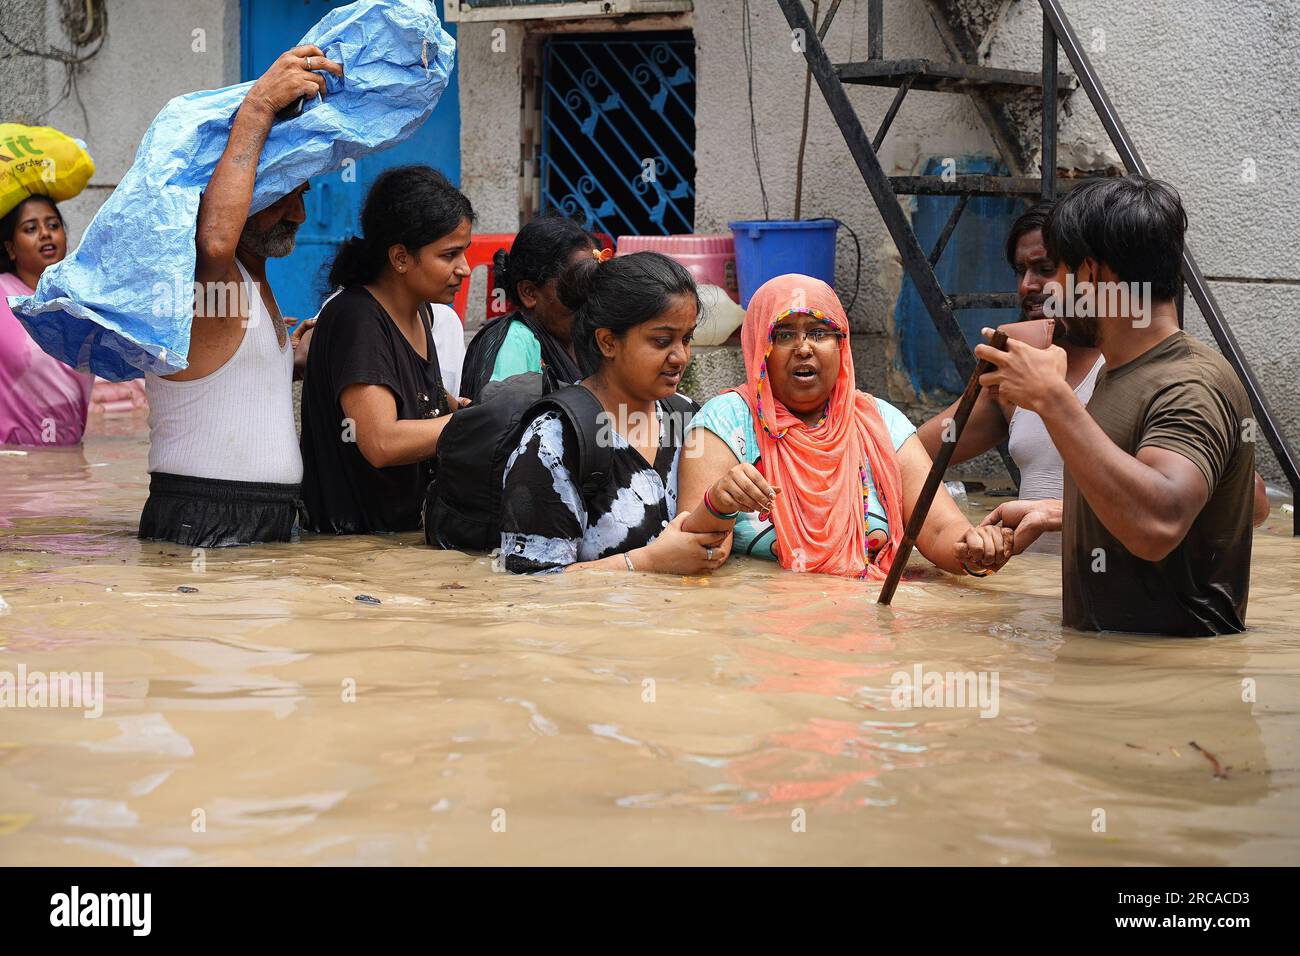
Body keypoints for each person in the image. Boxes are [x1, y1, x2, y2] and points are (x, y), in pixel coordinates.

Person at [978, 174, 1255, 635]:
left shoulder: (1188, 382)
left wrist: (1053, 401)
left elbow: (1159, 524)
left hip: (1164, 690)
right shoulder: (1121, 370)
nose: (1050, 293)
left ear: (1093, 274)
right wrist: (1056, 514)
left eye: (1059, 271)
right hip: (1105, 679)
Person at [678, 274, 1012, 580]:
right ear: (758, 348)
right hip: (761, 625)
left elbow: (940, 530)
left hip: (864, 628)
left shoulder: (881, 423)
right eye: (782, 335)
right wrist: (717, 503)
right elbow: (686, 551)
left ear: (842, 344)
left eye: (819, 332)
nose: (803, 347)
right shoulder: (724, 423)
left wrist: (974, 548)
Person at [138, 44, 336, 547]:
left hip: (265, 518)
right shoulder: (206, 280)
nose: (297, 215)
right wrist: (258, 110)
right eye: (278, 197)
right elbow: (214, 240)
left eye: (301, 194)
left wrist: (291, 359)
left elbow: (227, 375)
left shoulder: (253, 283)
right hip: (204, 513)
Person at [499, 251, 728, 574]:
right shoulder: (555, 439)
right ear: (608, 342)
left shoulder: (689, 418)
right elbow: (528, 587)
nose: (680, 357)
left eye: (687, 338)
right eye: (662, 341)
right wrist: (647, 563)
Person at [917, 202, 1104, 553]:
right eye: (1021, 271)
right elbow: (912, 454)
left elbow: (1166, 505)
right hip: (1031, 595)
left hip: (1104, 593)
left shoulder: (1122, 367)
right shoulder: (1010, 375)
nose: (1027, 286)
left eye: (1044, 269)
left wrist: (1058, 513)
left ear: (1088, 273)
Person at [299, 165, 473, 534]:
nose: (465, 268)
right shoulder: (357, 318)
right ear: (400, 258)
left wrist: (454, 404)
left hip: (397, 542)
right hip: (349, 549)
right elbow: (380, 441)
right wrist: (475, 425)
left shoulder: (422, 313)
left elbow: (409, 397)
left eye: (465, 252)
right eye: (449, 255)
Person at [459, 214, 593, 403]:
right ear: (529, 292)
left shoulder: (581, 340)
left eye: (592, 284)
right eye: (576, 290)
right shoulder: (517, 342)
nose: (588, 300)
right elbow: (504, 421)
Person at [0, 196, 95, 446]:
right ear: (10, 248)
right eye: (31, 229)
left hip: (71, 458)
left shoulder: (82, 303)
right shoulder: (2, 294)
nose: (45, 234)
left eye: (53, 225)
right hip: (13, 462)